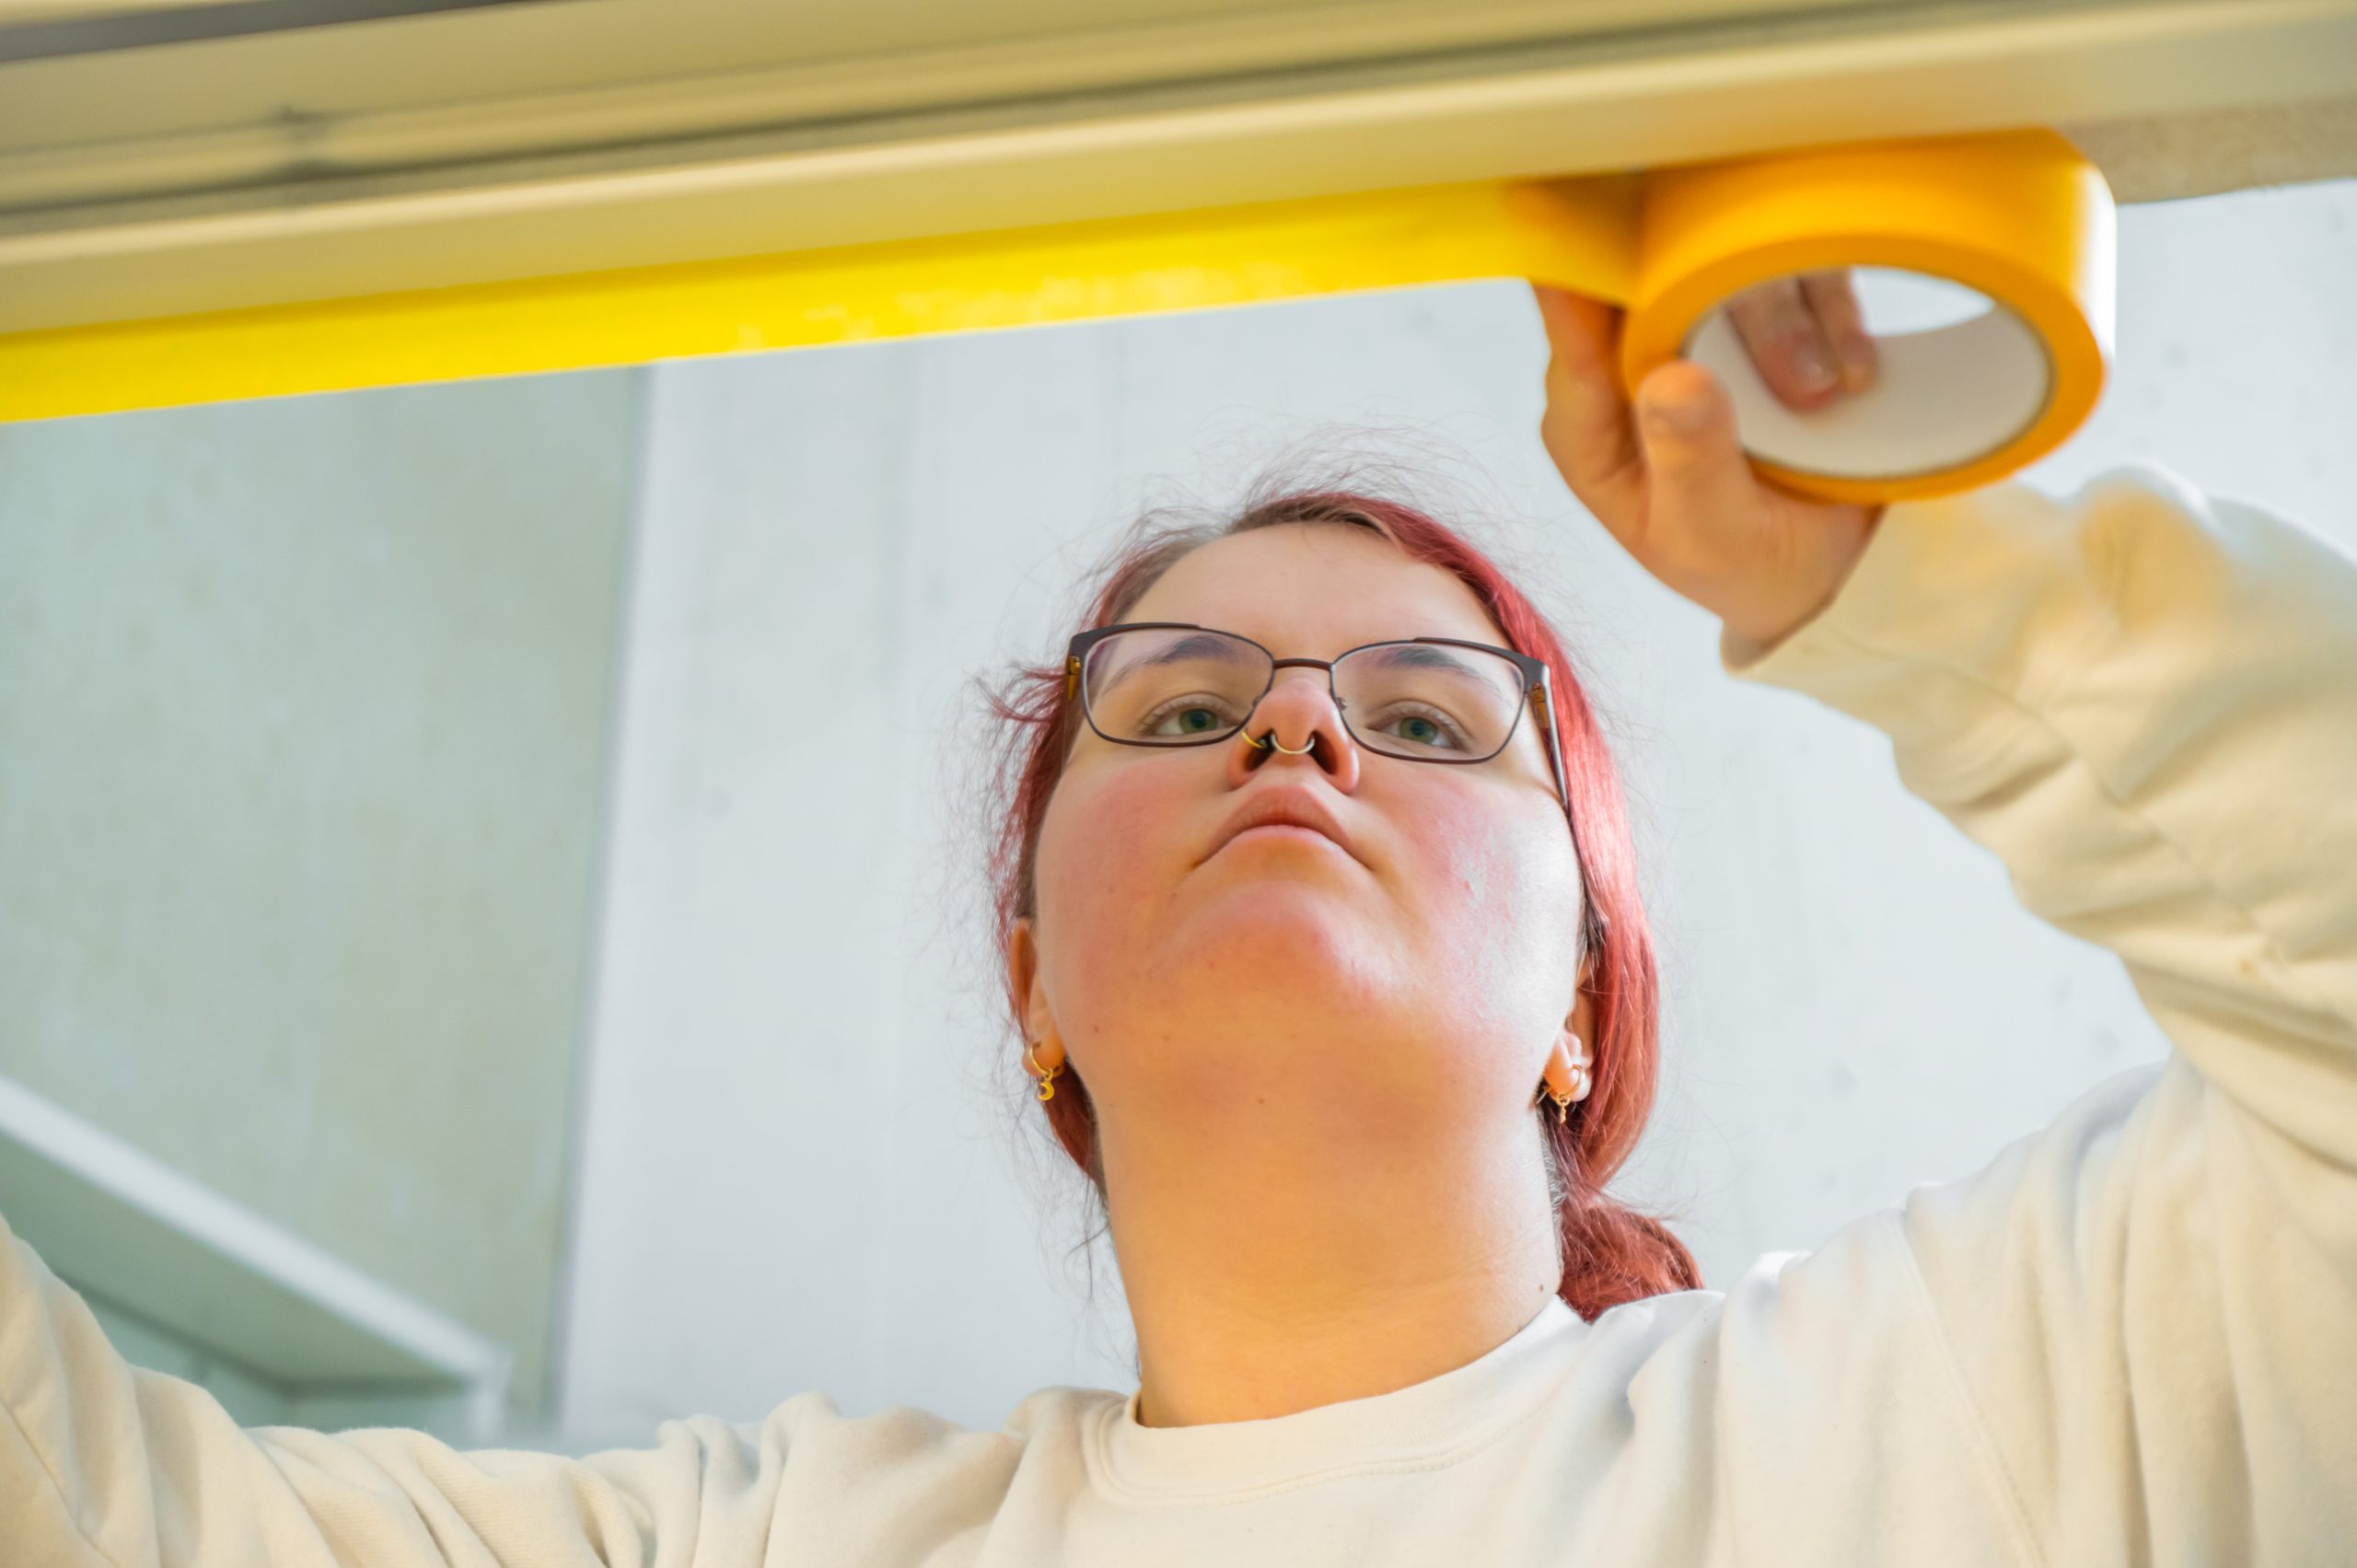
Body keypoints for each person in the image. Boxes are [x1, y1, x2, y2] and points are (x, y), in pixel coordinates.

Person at [5, 273, 2351, 1566]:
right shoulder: (783, 1547)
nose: (1297, 743)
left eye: (1430, 726)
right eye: (1183, 705)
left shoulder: (1970, 1414)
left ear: (1578, 998)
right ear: (1032, 980)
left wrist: (1905, 572)